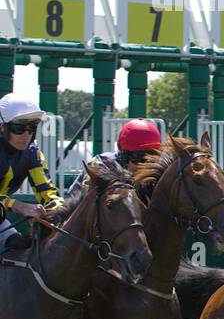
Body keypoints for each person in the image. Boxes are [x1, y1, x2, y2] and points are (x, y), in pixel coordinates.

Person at [0, 94, 61, 253]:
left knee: (20, 247)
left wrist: (62, 211)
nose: (26, 135)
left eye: (32, 127)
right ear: (2, 127)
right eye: (19, 128)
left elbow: (47, 193)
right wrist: (18, 205)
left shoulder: (32, 153)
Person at [66, 118, 163, 200]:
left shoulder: (158, 175)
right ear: (124, 154)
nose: (146, 165)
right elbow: (75, 201)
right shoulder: (101, 165)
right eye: (139, 157)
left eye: (152, 156)